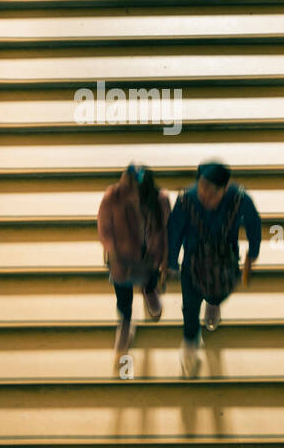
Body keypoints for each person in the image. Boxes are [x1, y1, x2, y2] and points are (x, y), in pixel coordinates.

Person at [166, 160, 261, 378]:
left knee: (219, 293)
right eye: (202, 188)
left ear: (224, 188)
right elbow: (174, 232)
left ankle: (213, 303)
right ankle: (190, 343)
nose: (204, 196)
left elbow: (254, 224)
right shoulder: (186, 199)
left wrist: (252, 252)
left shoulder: (240, 198)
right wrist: (171, 262)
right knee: (189, 307)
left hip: (225, 261)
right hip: (193, 263)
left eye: (211, 193)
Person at [97, 164, 171, 356]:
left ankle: (149, 292)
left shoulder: (160, 199)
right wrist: (114, 255)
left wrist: (165, 258)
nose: (129, 195)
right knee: (123, 295)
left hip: (150, 256)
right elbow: (104, 230)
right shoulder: (112, 198)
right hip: (122, 258)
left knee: (150, 280)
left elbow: (165, 229)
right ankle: (125, 322)